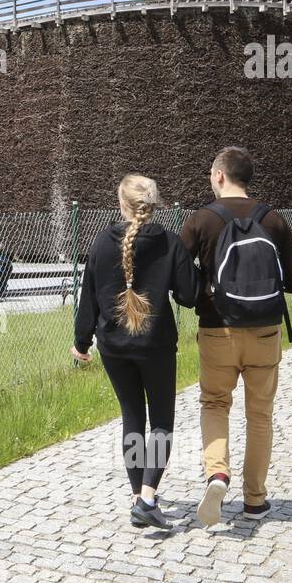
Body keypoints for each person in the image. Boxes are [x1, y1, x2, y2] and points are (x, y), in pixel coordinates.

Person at [180, 147, 292, 526]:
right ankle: (255, 500)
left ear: (220, 175)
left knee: (215, 404)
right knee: (259, 415)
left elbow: (182, 285)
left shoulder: (201, 220)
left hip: (217, 330)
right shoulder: (272, 219)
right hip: (265, 333)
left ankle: (217, 474)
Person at [72, 175, 199, 530]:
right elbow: (189, 295)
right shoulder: (170, 243)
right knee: (160, 421)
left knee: (132, 418)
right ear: (153, 204)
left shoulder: (100, 242)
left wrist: (81, 343)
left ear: (122, 204)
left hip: (113, 346)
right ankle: (146, 497)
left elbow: (88, 299)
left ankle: (136, 497)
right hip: (155, 346)